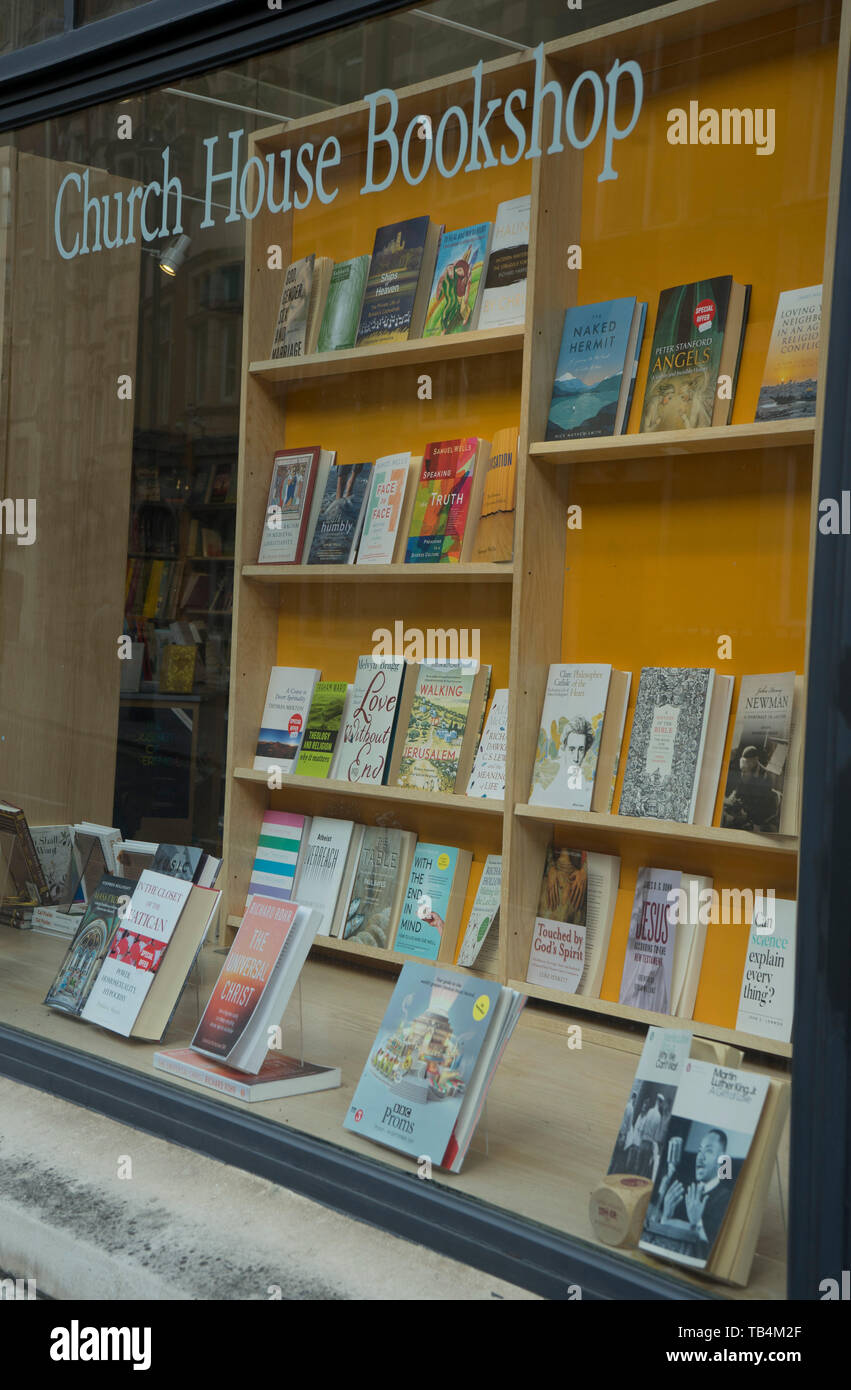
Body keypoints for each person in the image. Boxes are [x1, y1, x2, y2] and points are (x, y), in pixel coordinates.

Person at [650, 1127, 732, 1260]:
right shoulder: (683, 1189)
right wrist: (665, 1215)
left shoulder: (726, 1198)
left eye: (709, 1151)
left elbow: (714, 1249)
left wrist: (697, 1222)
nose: (700, 1156)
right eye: (700, 1150)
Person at [722, 745, 778, 830]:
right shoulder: (746, 770)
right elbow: (738, 789)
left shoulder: (765, 778)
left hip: (759, 812)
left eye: (745, 771)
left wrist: (745, 812)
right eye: (742, 771)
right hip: (745, 807)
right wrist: (733, 798)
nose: (742, 774)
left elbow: (760, 806)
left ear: (753, 765)